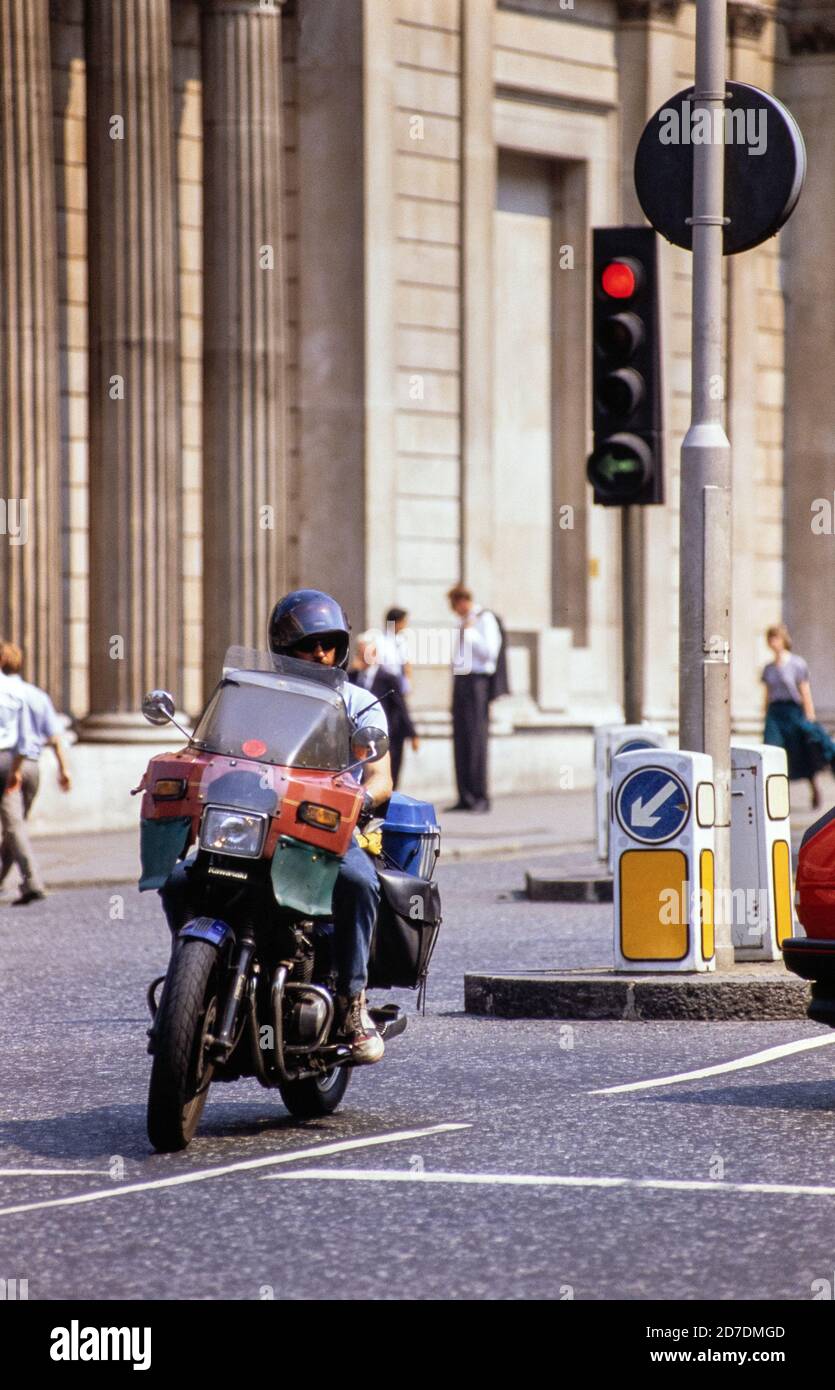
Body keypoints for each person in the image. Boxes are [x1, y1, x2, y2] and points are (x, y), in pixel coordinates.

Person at [160, 589, 391, 1065]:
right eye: (309, 645)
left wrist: (362, 800)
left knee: (357, 880)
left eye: (328, 644)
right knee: (179, 880)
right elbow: (211, 750)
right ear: (284, 650)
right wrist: (185, 769)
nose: (320, 655)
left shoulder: (359, 702)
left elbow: (382, 777)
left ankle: (351, 1001)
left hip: (321, 826)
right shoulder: (254, 697)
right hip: (256, 818)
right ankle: (197, 980)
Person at [0, 643, 72, 904]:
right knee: (15, 825)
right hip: (33, 765)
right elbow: (55, 736)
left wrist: (14, 769)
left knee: (13, 826)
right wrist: (64, 769)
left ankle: (32, 882)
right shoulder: (35, 694)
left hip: (11, 762)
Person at [762, 623, 835, 809]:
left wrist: (809, 716)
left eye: (775, 638)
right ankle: (778, 794)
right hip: (776, 712)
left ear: (783, 640)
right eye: (770, 639)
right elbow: (768, 693)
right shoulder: (769, 668)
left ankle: (814, 787)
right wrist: (765, 714)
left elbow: (804, 691)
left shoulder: (796, 664)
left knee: (799, 751)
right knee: (774, 749)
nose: (773, 642)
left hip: (793, 710)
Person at [447, 584, 502, 813]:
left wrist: (469, 633)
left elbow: (490, 652)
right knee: (461, 740)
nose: (454, 610)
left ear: (463, 601)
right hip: (461, 680)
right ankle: (465, 795)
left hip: (478, 681)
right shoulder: (462, 622)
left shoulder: (484, 619)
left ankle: (480, 795)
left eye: (454, 605)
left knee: (476, 739)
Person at [349, 630, 419, 788]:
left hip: (387, 737)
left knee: (388, 778)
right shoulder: (351, 677)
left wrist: (412, 733)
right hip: (359, 740)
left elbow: (401, 707)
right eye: (360, 652)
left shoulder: (388, 679)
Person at [377, 607, 413, 695]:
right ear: (396, 622)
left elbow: (406, 663)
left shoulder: (401, 640)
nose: (405, 625)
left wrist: (407, 682)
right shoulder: (380, 640)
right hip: (385, 683)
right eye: (403, 621)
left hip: (399, 682)